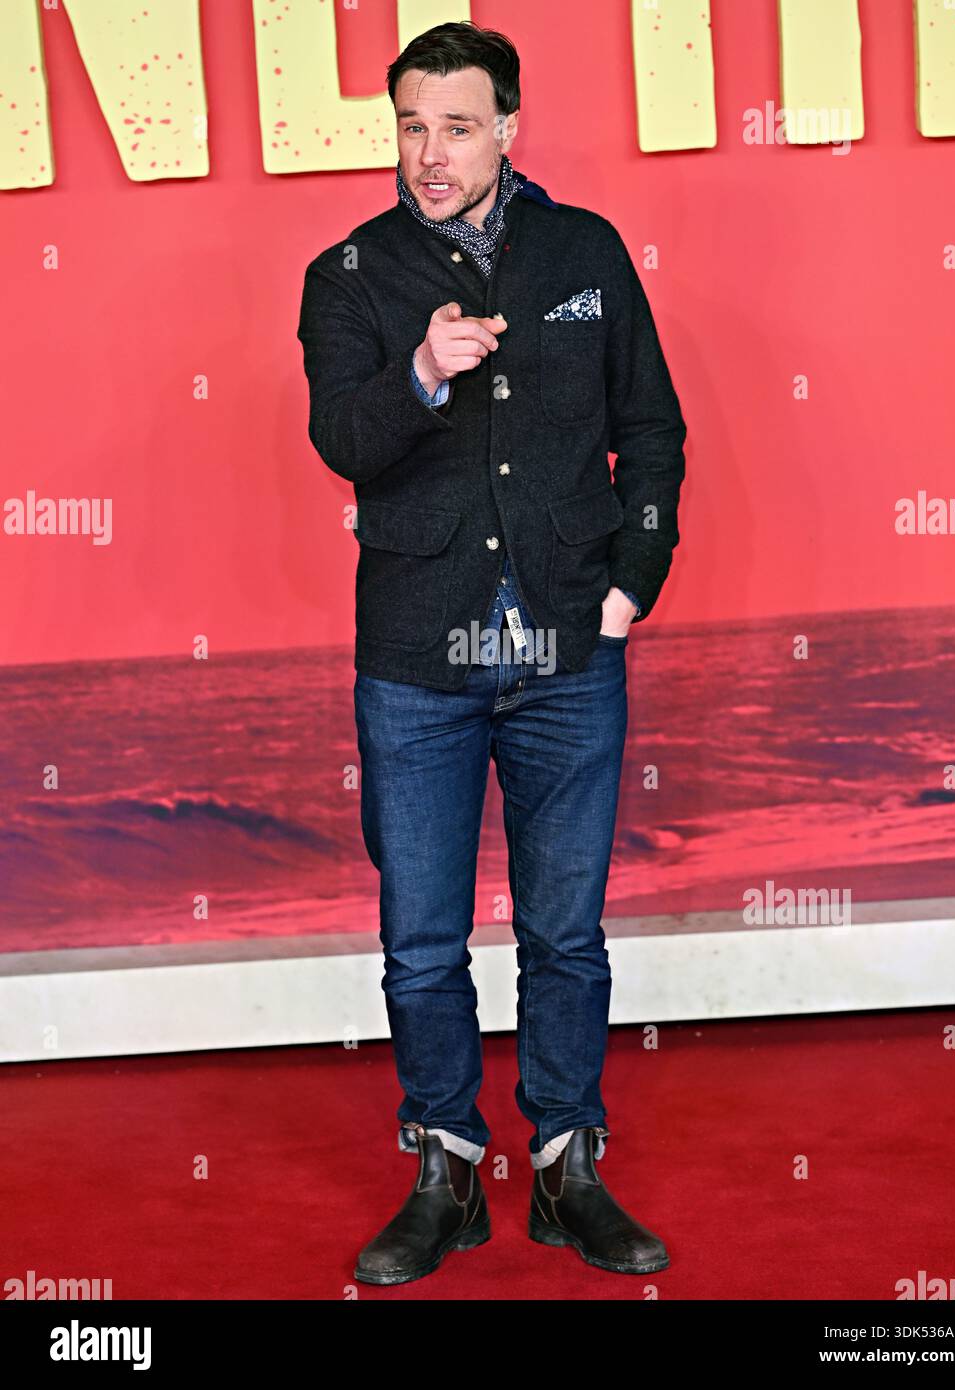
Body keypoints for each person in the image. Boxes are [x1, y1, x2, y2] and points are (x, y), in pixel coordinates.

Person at [296, 20, 687, 1286]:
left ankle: (568, 1167)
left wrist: (631, 583)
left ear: (508, 126)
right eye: (410, 126)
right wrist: (417, 369)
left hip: (571, 649)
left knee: (564, 934)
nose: (429, 153)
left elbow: (653, 429)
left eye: (457, 126)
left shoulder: (584, 253)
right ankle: (446, 1169)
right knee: (420, 938)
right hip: (415, 660)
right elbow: (340, 440)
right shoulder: (346, 275)